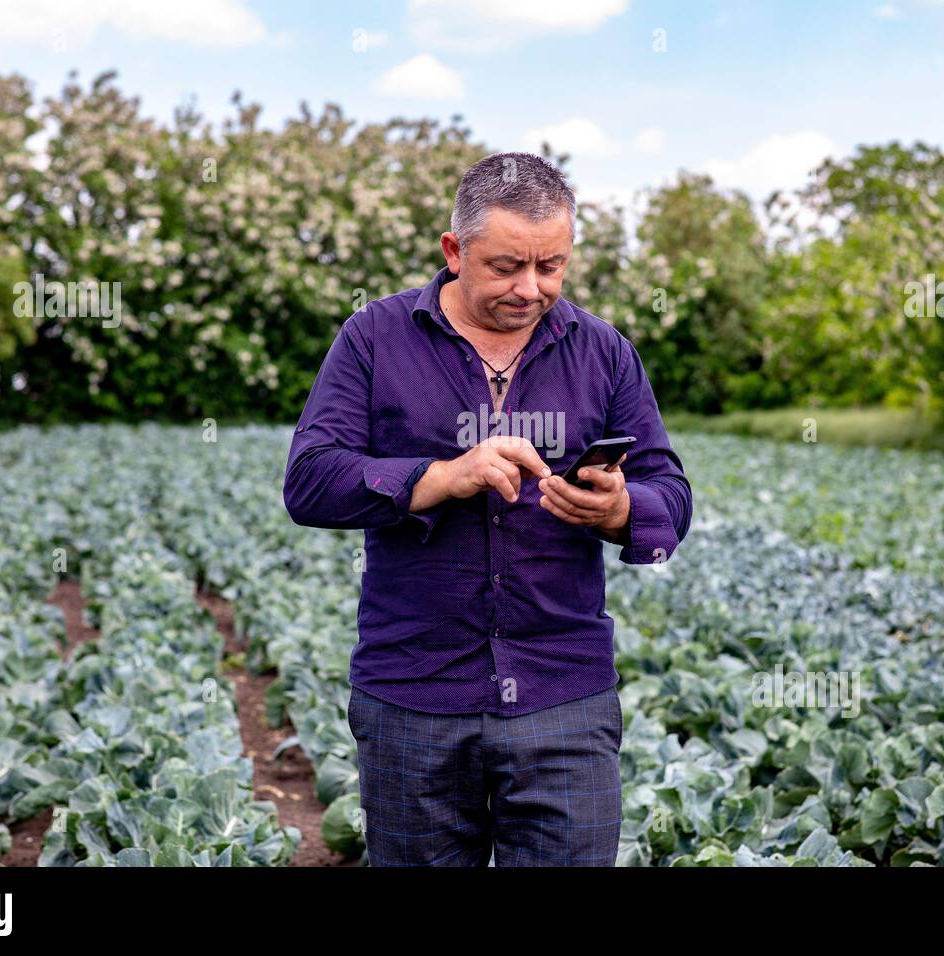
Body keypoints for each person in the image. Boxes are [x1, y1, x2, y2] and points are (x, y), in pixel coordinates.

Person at [283, 151, 693, 866]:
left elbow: (672, 497)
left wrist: (621, 510)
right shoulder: (375, 339)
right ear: (455, 250)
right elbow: (312, 482)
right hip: (415, 694)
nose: (531, 289)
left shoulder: (604, 353)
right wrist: (440, 477)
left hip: (564, 696)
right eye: (507, 267)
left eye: (552, 266)